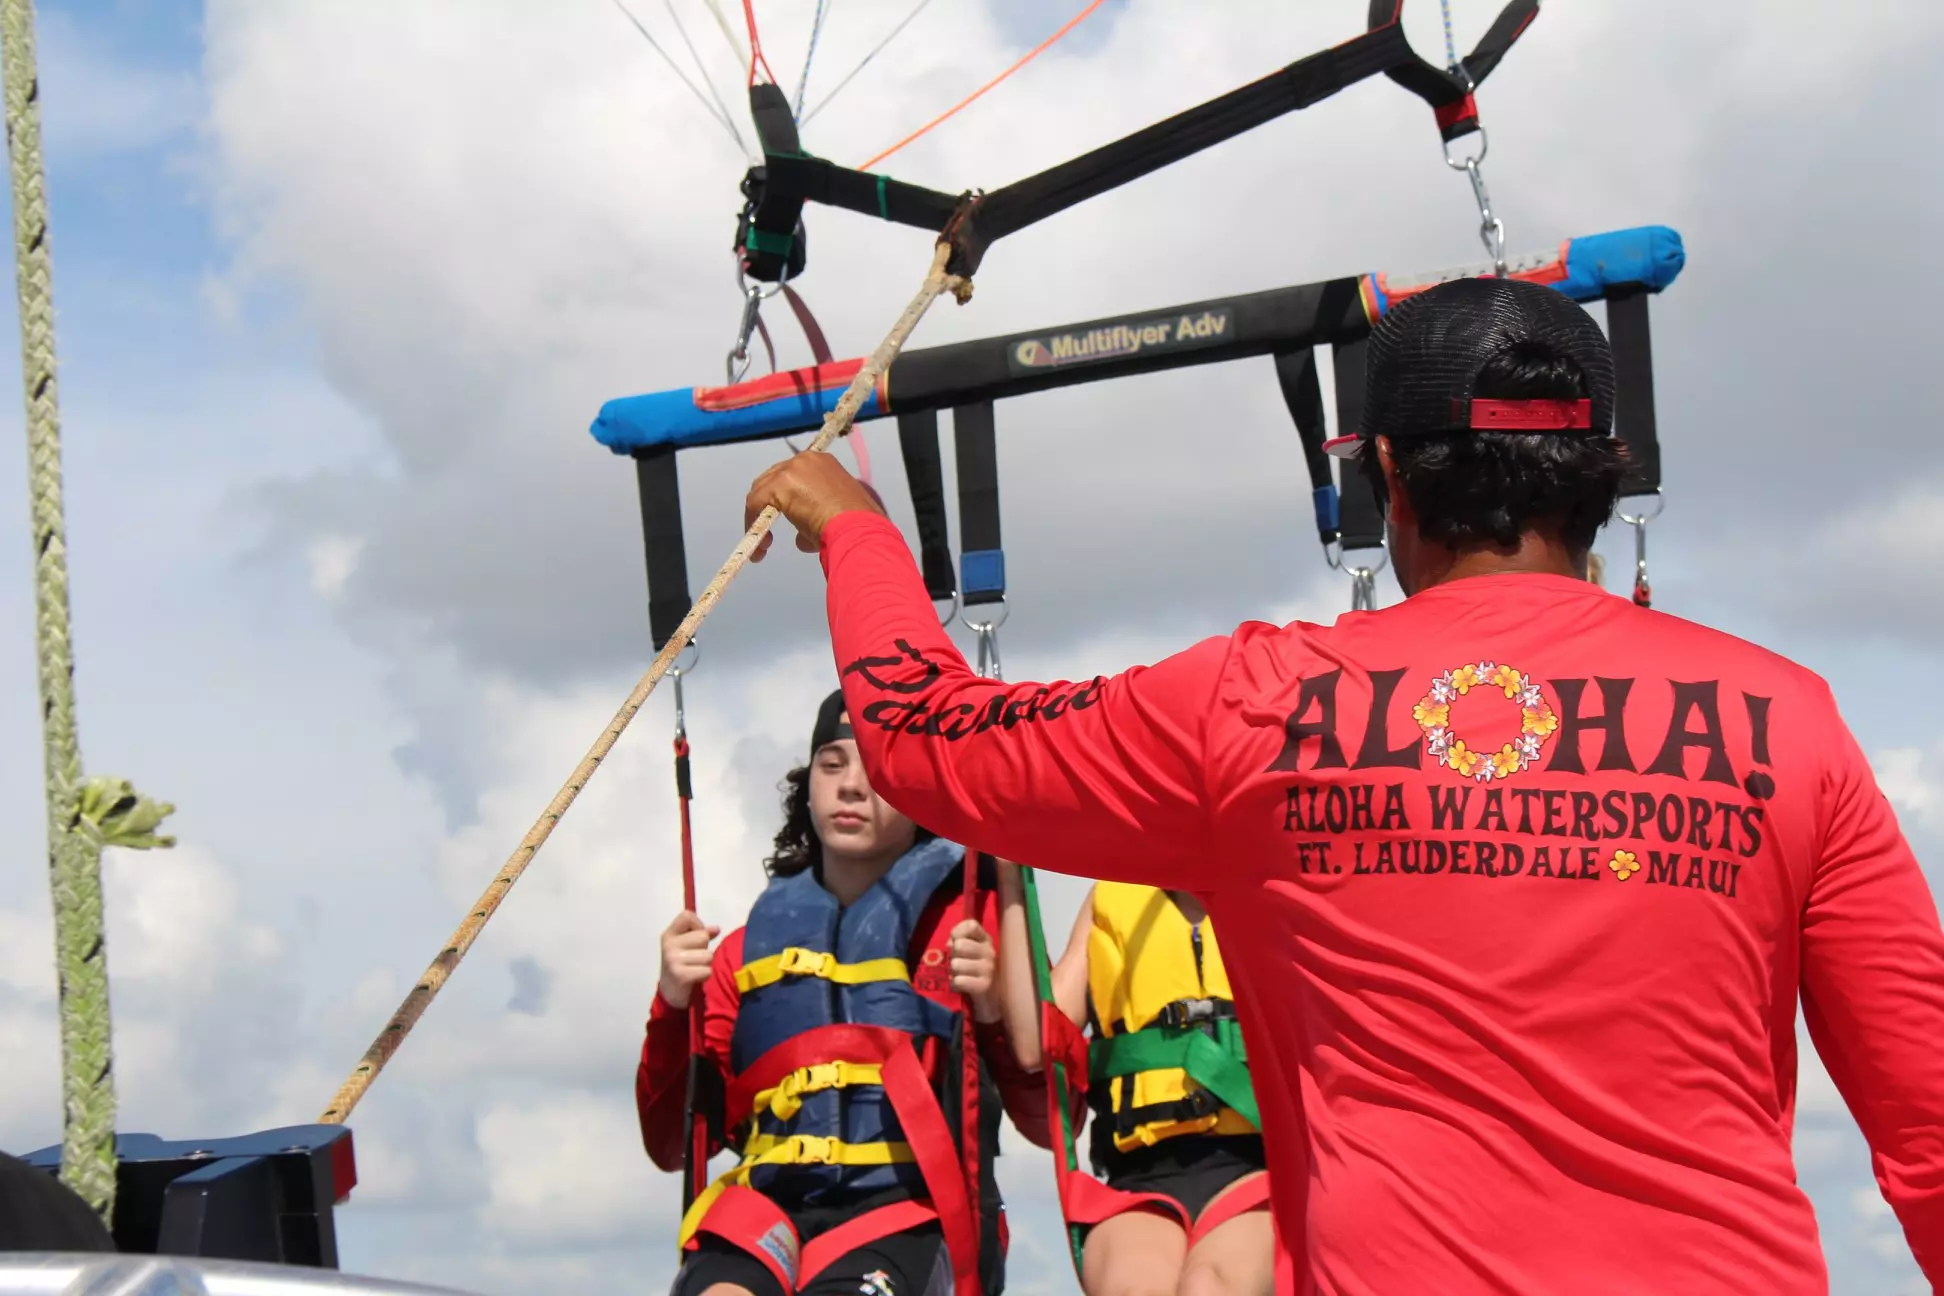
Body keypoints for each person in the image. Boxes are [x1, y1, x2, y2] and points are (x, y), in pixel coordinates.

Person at [740, 275, 1944, 1293]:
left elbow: (927, 737)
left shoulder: (1256, 709)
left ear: (1385, 478)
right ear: (1606, 478)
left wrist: (858, 533)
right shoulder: (1790, 721)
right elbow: (1927, 1126)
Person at [635, 690, 1047, 1296]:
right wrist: (671, 1005)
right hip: (764, 1220)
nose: (852, 786)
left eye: (878, 770)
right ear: (809, 787)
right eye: (833, 765)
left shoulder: (970, 931)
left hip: (904, 1215)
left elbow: (1047, 1120)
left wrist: (990, 1012)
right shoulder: (740, 955)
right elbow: (672, 1146)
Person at [998, 883, 1273, 1295]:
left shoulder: (1279, 895)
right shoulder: (1108, 899)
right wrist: (1011, 882)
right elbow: (1034, 1042)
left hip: (1257, 1171)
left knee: (1208, 1287)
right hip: (1139, 1180)